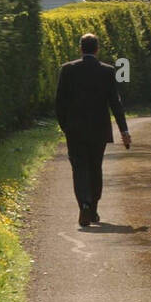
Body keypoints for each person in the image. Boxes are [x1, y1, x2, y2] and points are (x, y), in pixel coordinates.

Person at [55, 32, 131, 227]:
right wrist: (124, 130)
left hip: (75, 129)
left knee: (79, 168)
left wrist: (65, 125)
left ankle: (85, 205)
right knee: (95, 168)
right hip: (99, 129)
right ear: (97, 49)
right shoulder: (107, 71)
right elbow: (115, 103)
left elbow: (59, 103)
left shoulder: (68, 70)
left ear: (80, 48)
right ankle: (94, 208)